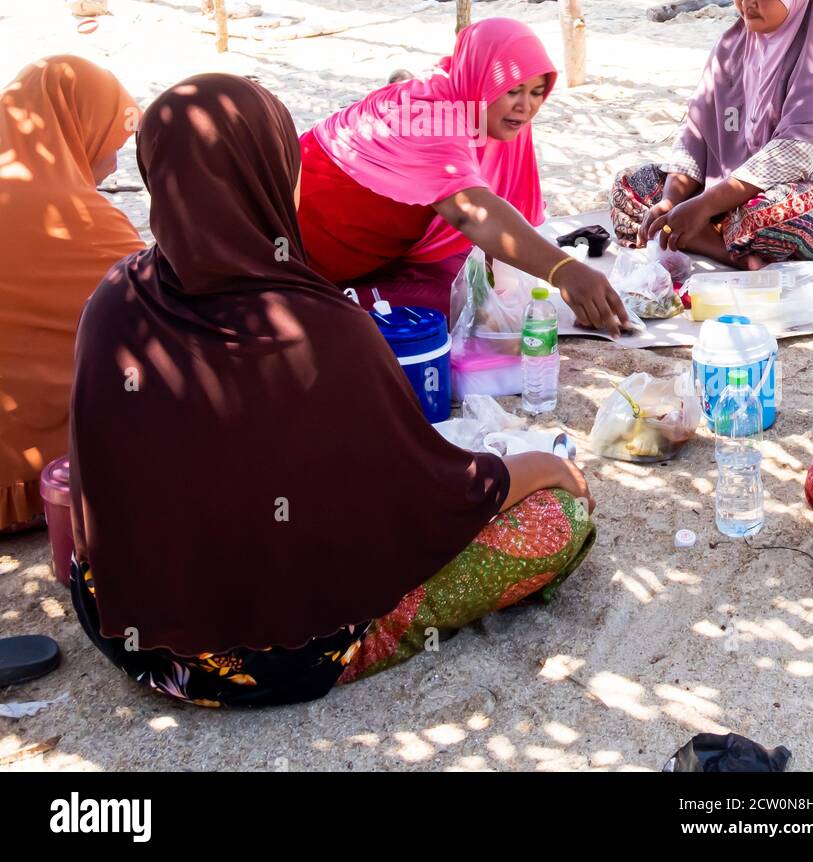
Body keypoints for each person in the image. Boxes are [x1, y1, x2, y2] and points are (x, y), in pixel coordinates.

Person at [69, 74, 597, 708]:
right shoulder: (318, 331)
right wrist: (539, 468)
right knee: (555, 521)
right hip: (274, 659)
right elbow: (424, 503)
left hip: (124, 625)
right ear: (272, 176)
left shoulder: (113, 301)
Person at [299, 17, 627, 334]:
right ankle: (328, 303)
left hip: (389, 248)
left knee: (482, 294)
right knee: (457, 307)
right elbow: (471, 212)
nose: (526, 106)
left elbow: (493, 211)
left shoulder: (487, 112)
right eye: (513, 90)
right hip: (303, 249)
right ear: (482, 78)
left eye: (537, 91)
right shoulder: (428, 115)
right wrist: (563, 270)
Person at [611, 0, 813, 266]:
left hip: (808, 191)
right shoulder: (732, 47)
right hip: (725, 191)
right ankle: (728, 248)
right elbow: (696, 131)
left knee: (774, 215)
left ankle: (706, 238)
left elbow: (787, 158)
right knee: (631, 187)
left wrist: (702, 207)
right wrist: (672, 201)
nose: (748, 0)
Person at [0, 55, 142, 534]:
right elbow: (156, 305)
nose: (116, 160)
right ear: (76, 128)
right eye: (114, 141)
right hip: (38, 480)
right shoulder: (81, 218)